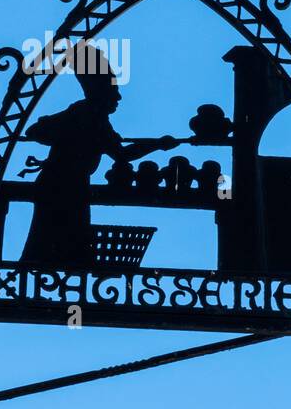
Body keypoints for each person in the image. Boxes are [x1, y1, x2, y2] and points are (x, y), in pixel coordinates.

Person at [20, 44, 176, 269]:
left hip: (68, 185)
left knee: (51, 242)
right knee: (54, 241)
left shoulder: (91, 117)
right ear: (100, 92)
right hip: (64, 186)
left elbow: (120, 153)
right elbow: (122, 154)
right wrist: (157, 145)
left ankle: (39, 285)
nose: (119, 96)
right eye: (114, 90)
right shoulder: (87, 117)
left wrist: (157, 144)